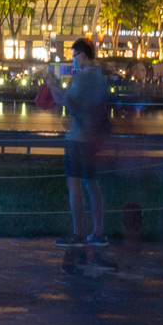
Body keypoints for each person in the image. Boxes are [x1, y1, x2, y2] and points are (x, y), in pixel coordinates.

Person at [43, 39, 111, 248]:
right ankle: (98, 231)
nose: (72, 60)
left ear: (82, 55)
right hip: (92, 137)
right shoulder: (100, 77)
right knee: (91, 183)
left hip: (77, 138)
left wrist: (50, 84)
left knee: (74, 183)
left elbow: (66, 101)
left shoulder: (82, 78)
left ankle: (78, 233)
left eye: (73, 55)